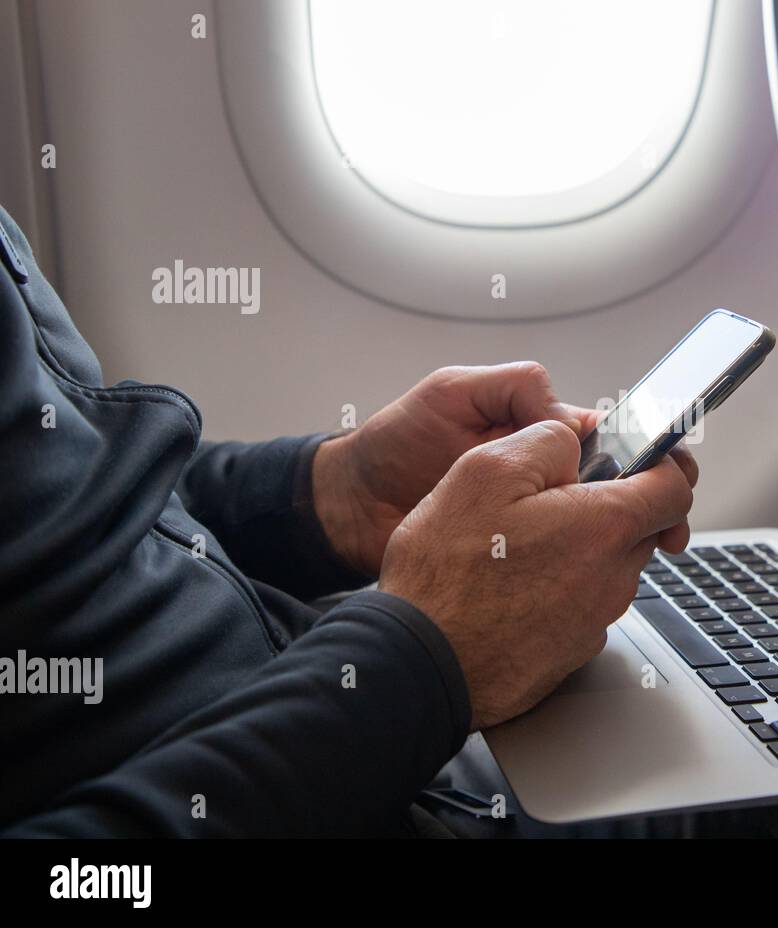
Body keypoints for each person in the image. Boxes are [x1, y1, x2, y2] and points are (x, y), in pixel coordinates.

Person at [0, 205, 696, 836]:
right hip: (316, 767)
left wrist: (333, 493)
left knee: (694, 729)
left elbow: (79, 495)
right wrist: (423, 661)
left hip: (333, 714)